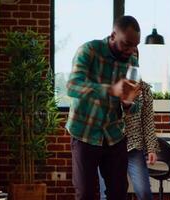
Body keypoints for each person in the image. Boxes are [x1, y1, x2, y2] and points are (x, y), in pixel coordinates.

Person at [66, 15, 142, 200]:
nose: (131, 50)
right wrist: (111, 90)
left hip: (114, 135)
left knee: (118, 193)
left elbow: (134, 104)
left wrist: (128, 102)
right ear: (113, 35)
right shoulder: (89, 50)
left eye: (135, 45)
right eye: (127, 44)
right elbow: (73, 86)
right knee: (86, 194)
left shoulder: (132, 57)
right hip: (85, 133)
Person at [98, 80, 159, 200]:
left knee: (144, 192)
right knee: (106, 194)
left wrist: (151, 148)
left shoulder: (144, 89)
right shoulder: (108, 84)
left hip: (133, 146)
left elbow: (147, 120)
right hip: (109, 145)